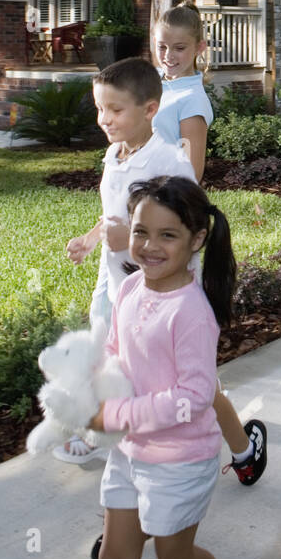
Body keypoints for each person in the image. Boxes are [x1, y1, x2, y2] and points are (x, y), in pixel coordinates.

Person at [81, 175, 247, 559]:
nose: (149, 247)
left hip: (179, 460)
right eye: (140, 232)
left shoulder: (192, 313)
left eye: (167, 235)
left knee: (172, 558)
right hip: (128, 453)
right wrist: (91, 388)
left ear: (197, 239)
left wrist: (118, 415)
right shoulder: (131, 285)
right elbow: (114, 350)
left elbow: (196, 397)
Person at [58, 57, 198, 464]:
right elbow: (113, 214)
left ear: (150, 109)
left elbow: (185, 229)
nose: (105, 119)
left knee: (178, 377)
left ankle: (236, 441)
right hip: (113, 278)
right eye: (100, 108)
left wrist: (133, 241)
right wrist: (91, 238)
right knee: (104, 348)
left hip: (157, 289)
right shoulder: (115, 154)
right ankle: (102, 429)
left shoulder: (168, 162)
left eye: (115, 110)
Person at [153, 0, 266, 487]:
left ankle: (241, 448)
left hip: (174, 233)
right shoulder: (157, 89)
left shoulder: (191, 102)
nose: (169, 55)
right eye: (161, 46)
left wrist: (161, 226)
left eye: (179, 48)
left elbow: (191, 177)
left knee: (191, 366)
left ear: (199, 48)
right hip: (150, 232)